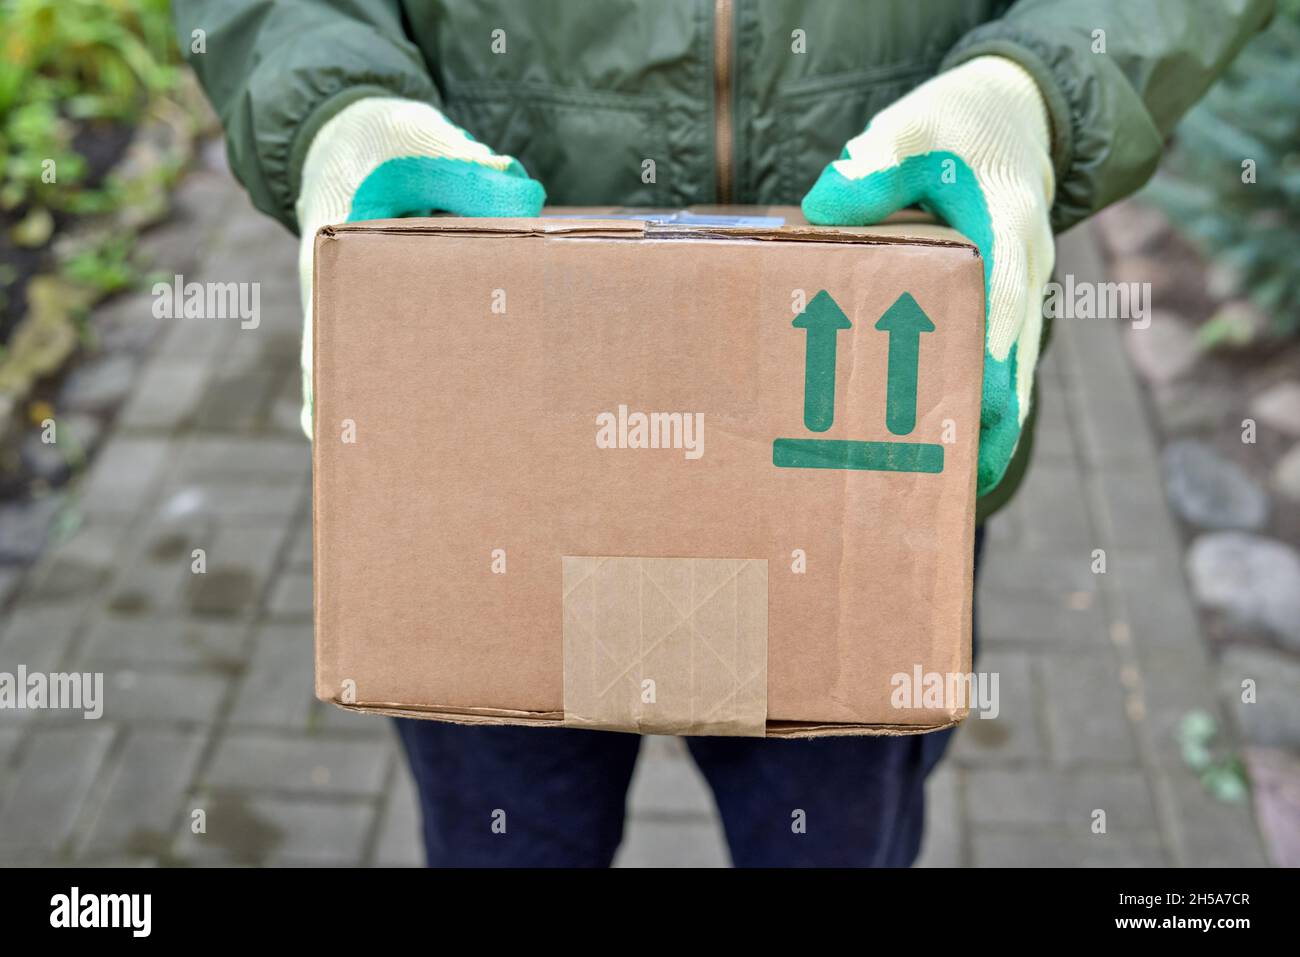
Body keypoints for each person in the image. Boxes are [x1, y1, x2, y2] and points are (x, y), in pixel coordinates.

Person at [174, 0, 1273, 866]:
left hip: (842, 479)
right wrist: (330, 99)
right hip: (505, 454)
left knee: (835, 847)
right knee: (504, 843)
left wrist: (1040, 85)